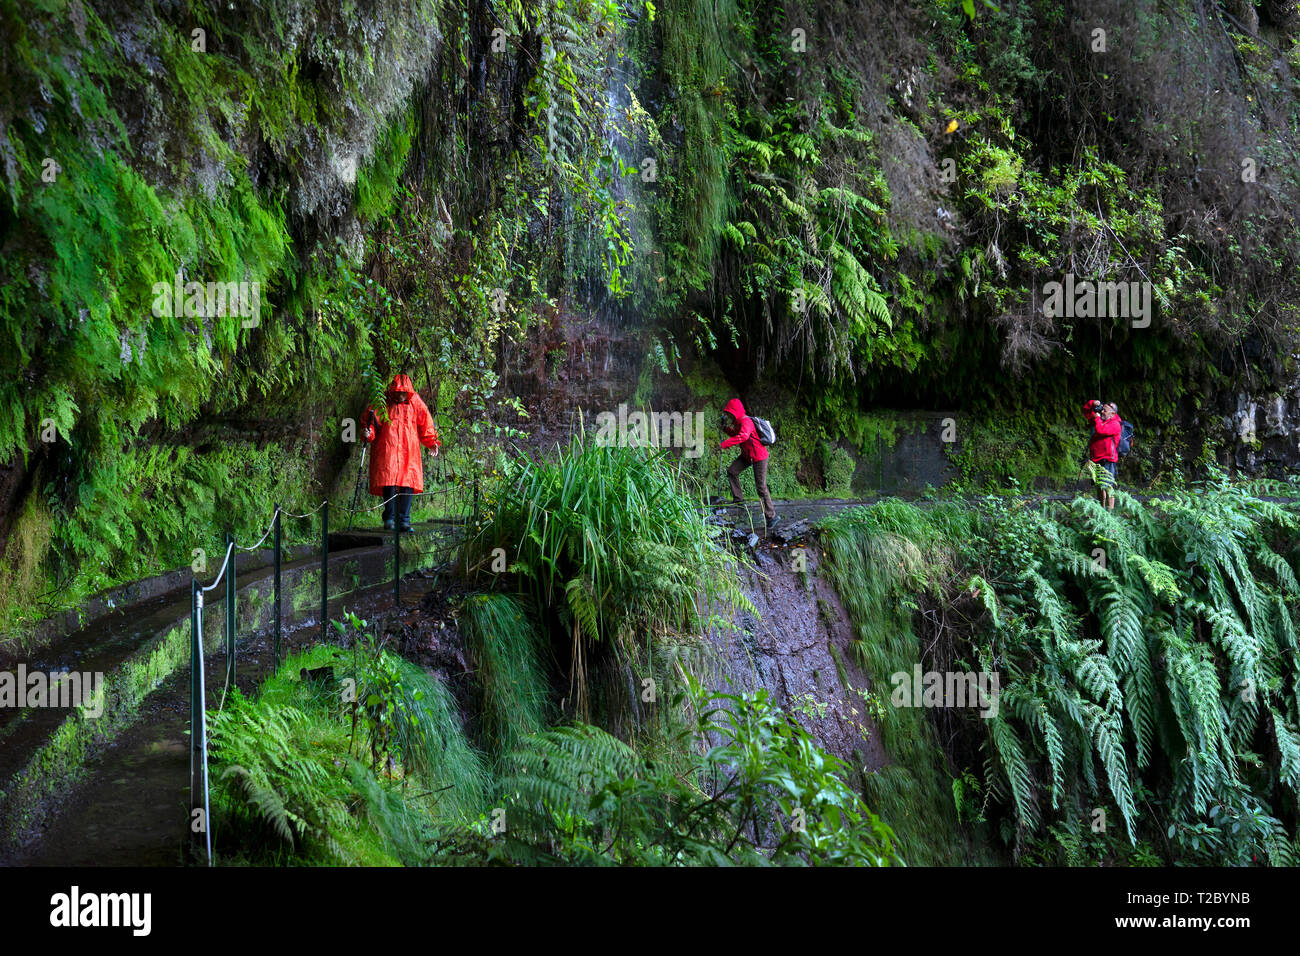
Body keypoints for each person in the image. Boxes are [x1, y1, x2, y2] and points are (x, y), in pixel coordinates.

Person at [363, 374, 441, 531]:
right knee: (388, 481)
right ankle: (390, 519)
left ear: (408, 392)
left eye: (404, 393)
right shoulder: (383, 401)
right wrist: (368, 433)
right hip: (388, 448)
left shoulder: (415, 402)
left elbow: (426, 422)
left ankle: (404, 520)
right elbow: (371, 421)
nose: (400, 396)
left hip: (409, 450)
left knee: (408, 484)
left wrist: (432, 442)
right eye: (398, 393)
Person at [719, 397, 779, 532]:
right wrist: (725, 428)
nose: (729, 416)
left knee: (761, 487)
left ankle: (772, 516)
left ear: (736, 411)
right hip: (747, 455)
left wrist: (724, 445)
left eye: (730, 413)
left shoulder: (746, 421)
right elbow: (736, 433)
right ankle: (739, 501)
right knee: (732, 471)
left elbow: (743, 436)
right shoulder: (739, 422)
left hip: (759, 457)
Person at [1082, 399, 1121, 511]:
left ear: (1113, 413)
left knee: (1108, 486)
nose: (1102, 412)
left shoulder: (1115, 424)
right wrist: (1093, 403)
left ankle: (1110, 513)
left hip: (1108, 459)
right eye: (1102, 409)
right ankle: (1101, 510)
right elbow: (1086, 411)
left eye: (1105, 410)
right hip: (1096, 459)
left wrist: (1097, 418)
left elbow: (1101, 430)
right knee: (1099, 486)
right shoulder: (1101, 420)